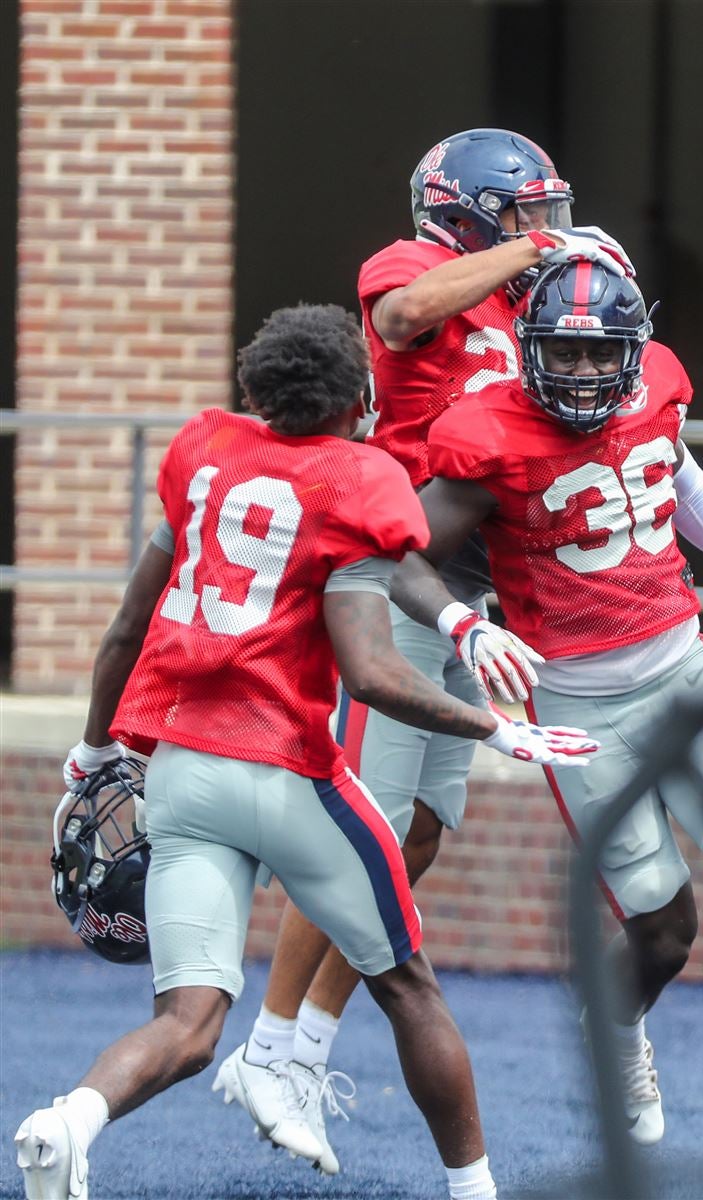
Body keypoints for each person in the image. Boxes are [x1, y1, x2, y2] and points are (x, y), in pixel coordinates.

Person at [13, 302, 598, 1200]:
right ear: (356, 396)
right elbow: (368, 674)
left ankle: (68, 1121)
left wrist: (93, 756)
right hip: (286, 771)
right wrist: (493, 726)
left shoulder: (203, 447)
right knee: (407, 984)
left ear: (259, 383)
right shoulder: (361, 477)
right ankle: (476, 1191)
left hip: (178, 773)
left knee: (190, 1020)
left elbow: (126, 628)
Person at [384, 259, 703, 1172]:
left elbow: (682, 480)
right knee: (665, 930)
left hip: (685, 676)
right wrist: (464, 624)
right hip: (582, 707)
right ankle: (617, 1024)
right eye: (565, 352)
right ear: (529, 350)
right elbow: (402, 554)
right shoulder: (488, 432)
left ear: (633, 354)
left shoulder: (657, 387)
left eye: (600, 355)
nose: (584, 373)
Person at [208, 128, 637, 1172]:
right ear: (474, 213)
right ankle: (267, 1046)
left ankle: (303, 1048)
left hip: (482, 580)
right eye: (527, 212)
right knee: (369, 817)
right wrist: (535, 255)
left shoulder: (513, 290)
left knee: (424, 833)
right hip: (399, 567)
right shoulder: (410, 269)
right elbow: (401, 318)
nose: (544, 228)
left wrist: (587, 278)